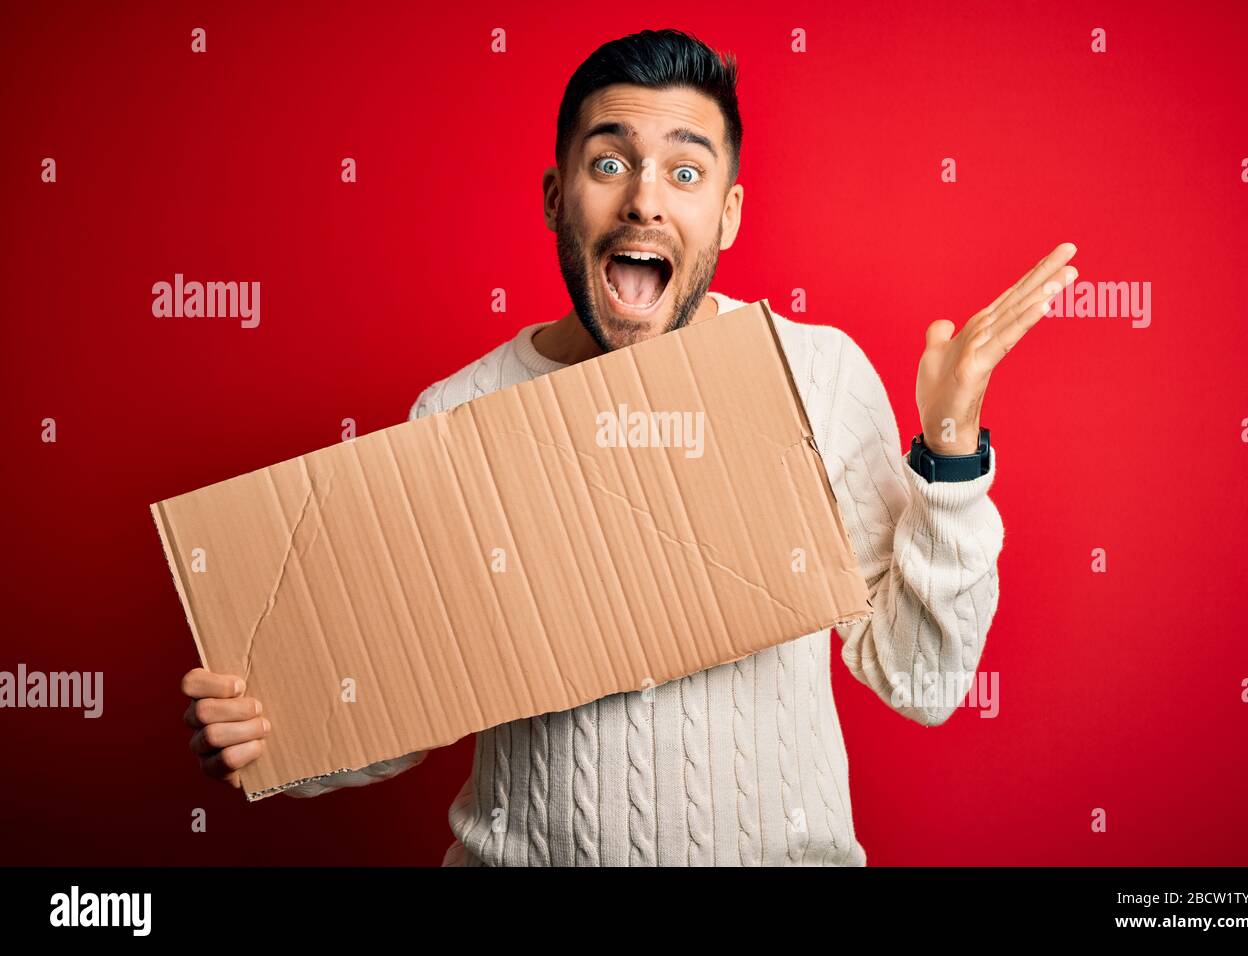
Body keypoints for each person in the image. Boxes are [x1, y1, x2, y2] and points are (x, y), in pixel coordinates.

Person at [181, 28, 1077, 866]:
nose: (645, 197)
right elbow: (398, 704)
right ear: (555, 197)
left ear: (726, 217)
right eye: (609, 163)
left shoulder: (816, 374)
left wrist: (950, 450)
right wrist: (276, 736)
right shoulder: (459, 411)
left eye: (685, 173)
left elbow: (921, 680)